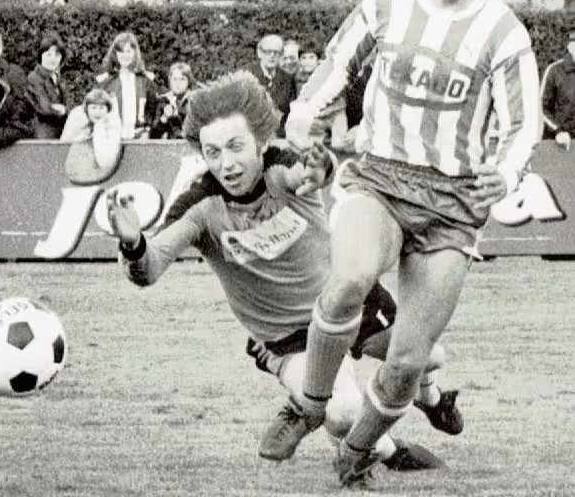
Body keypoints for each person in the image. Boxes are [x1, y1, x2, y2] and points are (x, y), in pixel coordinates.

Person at [262, 0, 542, 487]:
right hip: (381, 177)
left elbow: (524, 124)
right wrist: (306, 110)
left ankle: (359, 448)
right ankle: (308, 405)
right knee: (348, 281)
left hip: (452, 204)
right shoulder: (386, 5)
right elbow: (336, 66)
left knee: (408, 362)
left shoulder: (503, 31)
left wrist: (508, 170)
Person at [106, 71, 445, 476]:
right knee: (341, 413)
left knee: (428, 356)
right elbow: (149, 268)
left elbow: (306, 174)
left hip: (347, 301)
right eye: (213, 152)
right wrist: (133, 243)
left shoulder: (279, 168)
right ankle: (391, 452)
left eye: (235, 147)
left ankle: (434, 399)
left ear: (261, 141)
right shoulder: (199, 206)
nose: (226, 164)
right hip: (287, 339)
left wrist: (320, 171)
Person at [96, 32, 159, 140]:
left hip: (141, 136)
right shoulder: (105, 82)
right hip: (113, 137)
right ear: (115, 54)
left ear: (135, 53)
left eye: (129, 51)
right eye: (121, 51)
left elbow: (154, 109)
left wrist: (148, 129)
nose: (125, 55)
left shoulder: (146, 81)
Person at [60, 87, 122, 182]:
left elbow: (105, 161)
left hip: (102, 175)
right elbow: (64, 146)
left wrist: (99, 129)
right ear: (87, 110)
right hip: (78, 175)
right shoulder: (80, 127)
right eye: (93, 107)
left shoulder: (110, 128)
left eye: (101, 108)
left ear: (107, 110)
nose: (97, 112)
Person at [249, 34, 298, 135]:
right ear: (259, 53)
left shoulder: (288, 79)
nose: (272, 55)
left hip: (280, 136)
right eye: (267, 51)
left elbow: (290, 112)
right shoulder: (246, 77)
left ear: (281, 55)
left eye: (276, 52)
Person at [28, 33, 74, 139]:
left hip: (62, 130)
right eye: (48, 55)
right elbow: (44, 108)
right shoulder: (34, 77)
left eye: (57, 55)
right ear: (41, 56)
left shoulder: (59, 78)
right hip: (42, 131)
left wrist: (64, 110)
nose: (53, 59)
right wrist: (62, 110)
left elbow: (70, 104)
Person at [540, 29, 575, 149]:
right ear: (570, 47)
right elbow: (541, 108)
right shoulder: (554, 71)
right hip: (559, 145)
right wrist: (558, 131)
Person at [149, 62, 196, 140]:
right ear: (170, 81)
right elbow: (153, 136)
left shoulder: (194, 100)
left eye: (182, 79)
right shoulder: (162, 101)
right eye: (175, 79)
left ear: (188, 82)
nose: (178, 83)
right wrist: (164, 117)